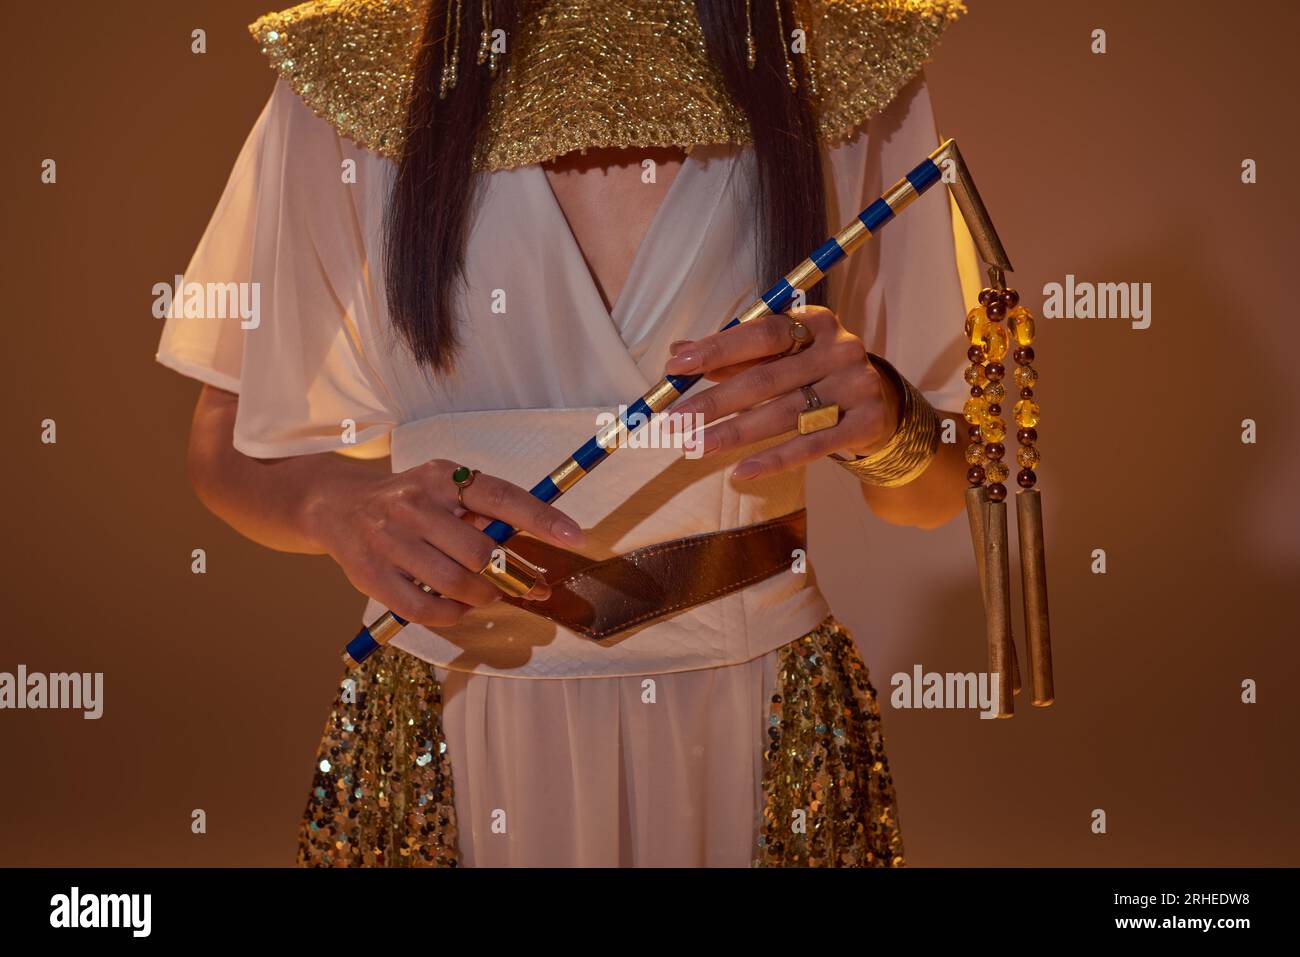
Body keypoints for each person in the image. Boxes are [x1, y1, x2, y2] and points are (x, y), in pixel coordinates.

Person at [157, 0, 974, 867]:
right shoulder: (353, 68)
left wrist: (887, 420)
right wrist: (335, 505)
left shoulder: (843, 60)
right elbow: (226, 444)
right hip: (458, 712)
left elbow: (943, 487)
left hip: (758, 719)